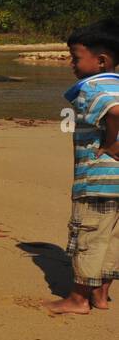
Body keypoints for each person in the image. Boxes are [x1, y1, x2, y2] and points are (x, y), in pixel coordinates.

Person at [48, 25, 119, 315]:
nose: (71, 64)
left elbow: (115, 111)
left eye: (75, 58)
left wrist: (111, 141)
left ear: (100, 61)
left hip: (96, 179)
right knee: (111, 238)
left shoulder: (92, 87)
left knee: (88, 235)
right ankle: (101, 296)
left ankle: (78, 299)